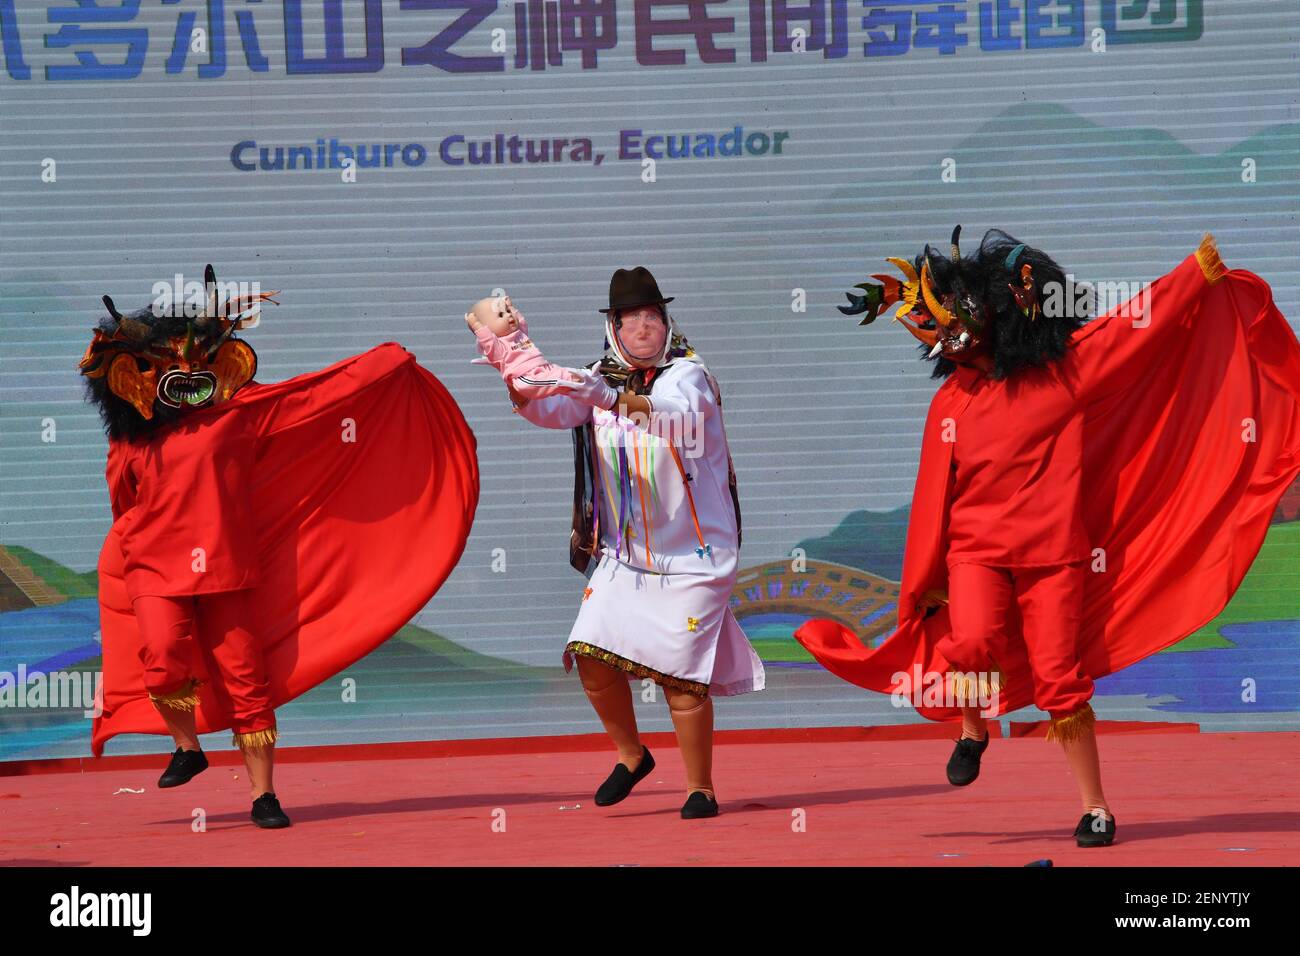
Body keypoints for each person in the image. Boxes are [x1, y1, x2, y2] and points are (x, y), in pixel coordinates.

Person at [796, 228, 1300, 847]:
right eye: (925, 328)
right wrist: (927, 579)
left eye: (943, 321)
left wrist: (1193, 273)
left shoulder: (1063, 375)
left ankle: (1095, 808)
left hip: (1055, 557)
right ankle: (972, 728)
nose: (935, 337)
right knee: (972, 638)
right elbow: (934, 500)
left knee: (1061, 678)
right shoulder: (950, 406)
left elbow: (1130, 332)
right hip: (975, 553)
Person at [82, 264, 479, 828]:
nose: (184, 375)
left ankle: (262, 796)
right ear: (136, 376)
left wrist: (383, 364)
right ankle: (187, 747)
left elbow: (312, 398)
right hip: (153, 568)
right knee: (163, 662)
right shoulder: (128, 445)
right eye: (168, 367)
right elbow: (123, 511)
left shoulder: (236, 417)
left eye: (194, 365)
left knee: (247, 682)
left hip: (227, 569)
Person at [473, 266, 764, 819]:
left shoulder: (689, 376)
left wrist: (607, 396)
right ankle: (632, 756)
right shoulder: (597, 377)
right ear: (614, 326)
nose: (645, 327)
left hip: (694, 558)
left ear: (666, 322)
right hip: (624, 556)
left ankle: (699, 788)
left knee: (682, 681)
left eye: (653, 316)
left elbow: (678, 423)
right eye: (632, 319)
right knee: (590, 658)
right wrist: (510, 359)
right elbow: (547, 407)